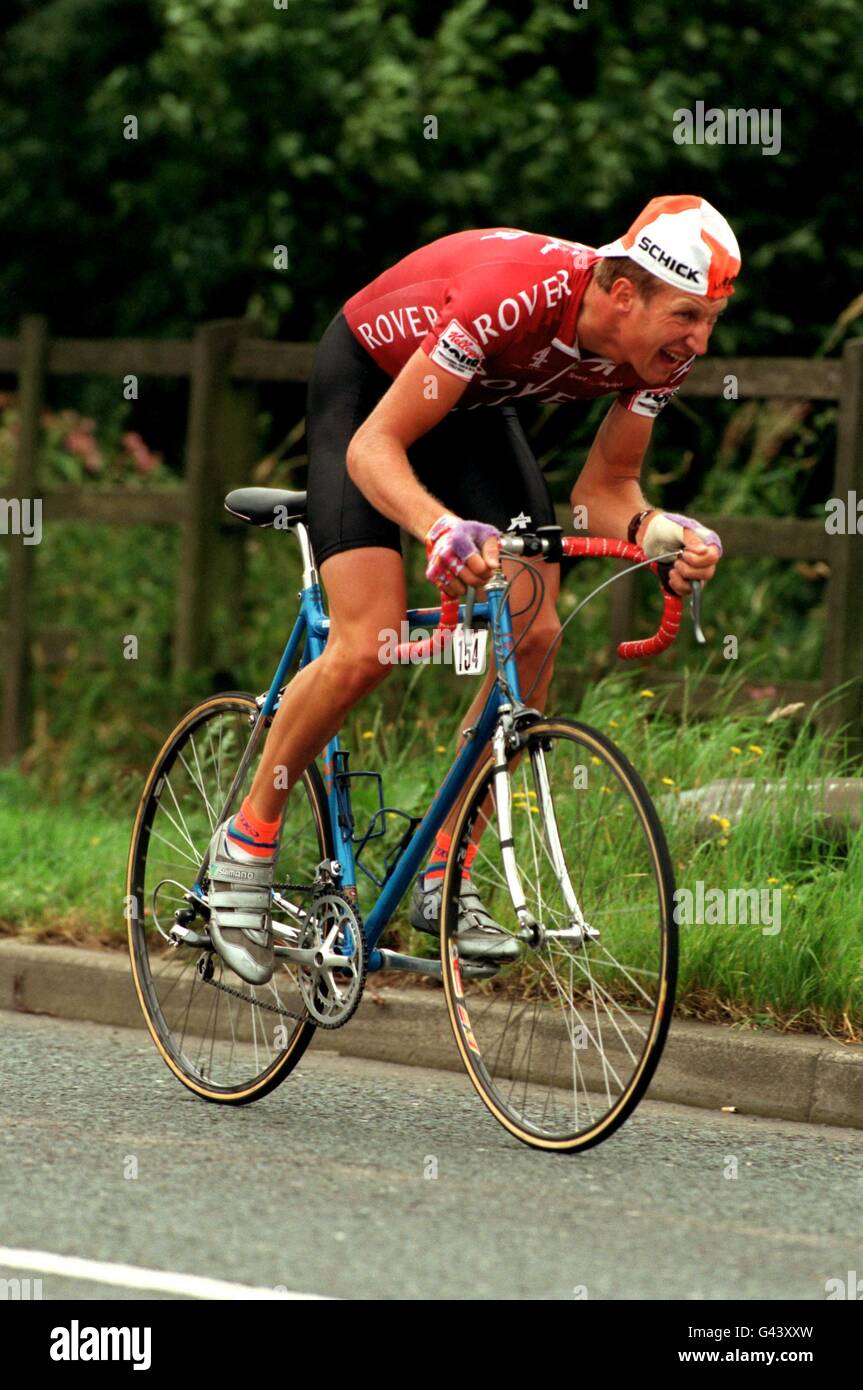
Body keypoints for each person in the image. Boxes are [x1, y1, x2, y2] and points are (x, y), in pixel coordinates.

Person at [205, 194, 740, 985]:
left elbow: (607, 491)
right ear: (624, 293)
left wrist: (662, 532)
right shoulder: (514, 294)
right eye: (687, 314)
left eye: (711, 320)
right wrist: (439, 528)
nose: (699, 340)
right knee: (368, 642)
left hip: (471, 407)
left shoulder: (663, 353)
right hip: (367, 391)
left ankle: (442, 871)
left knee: (535, 632)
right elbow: (373, 449)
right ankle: (244, 844)